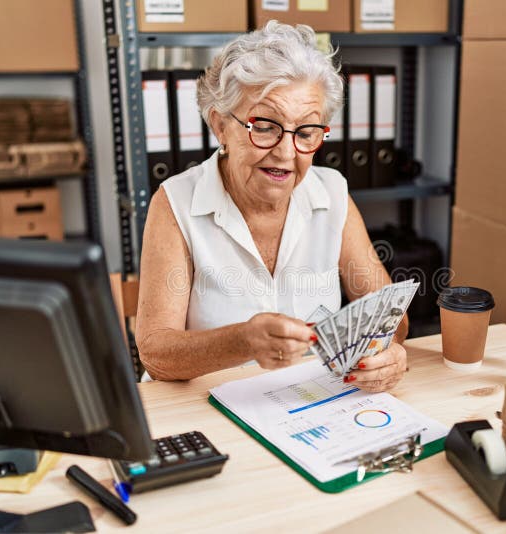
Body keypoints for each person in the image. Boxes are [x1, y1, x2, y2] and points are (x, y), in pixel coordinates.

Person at [135, 21, 408, 393]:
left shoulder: (331, 192)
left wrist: (387, 353)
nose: (285, 152)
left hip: (303, 404)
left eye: (306, 132)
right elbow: (156, 354)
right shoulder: (176, 202)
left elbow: (391, 315)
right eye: (264, 127)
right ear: (220, 125)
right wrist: (242, 341)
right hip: (202, 408)